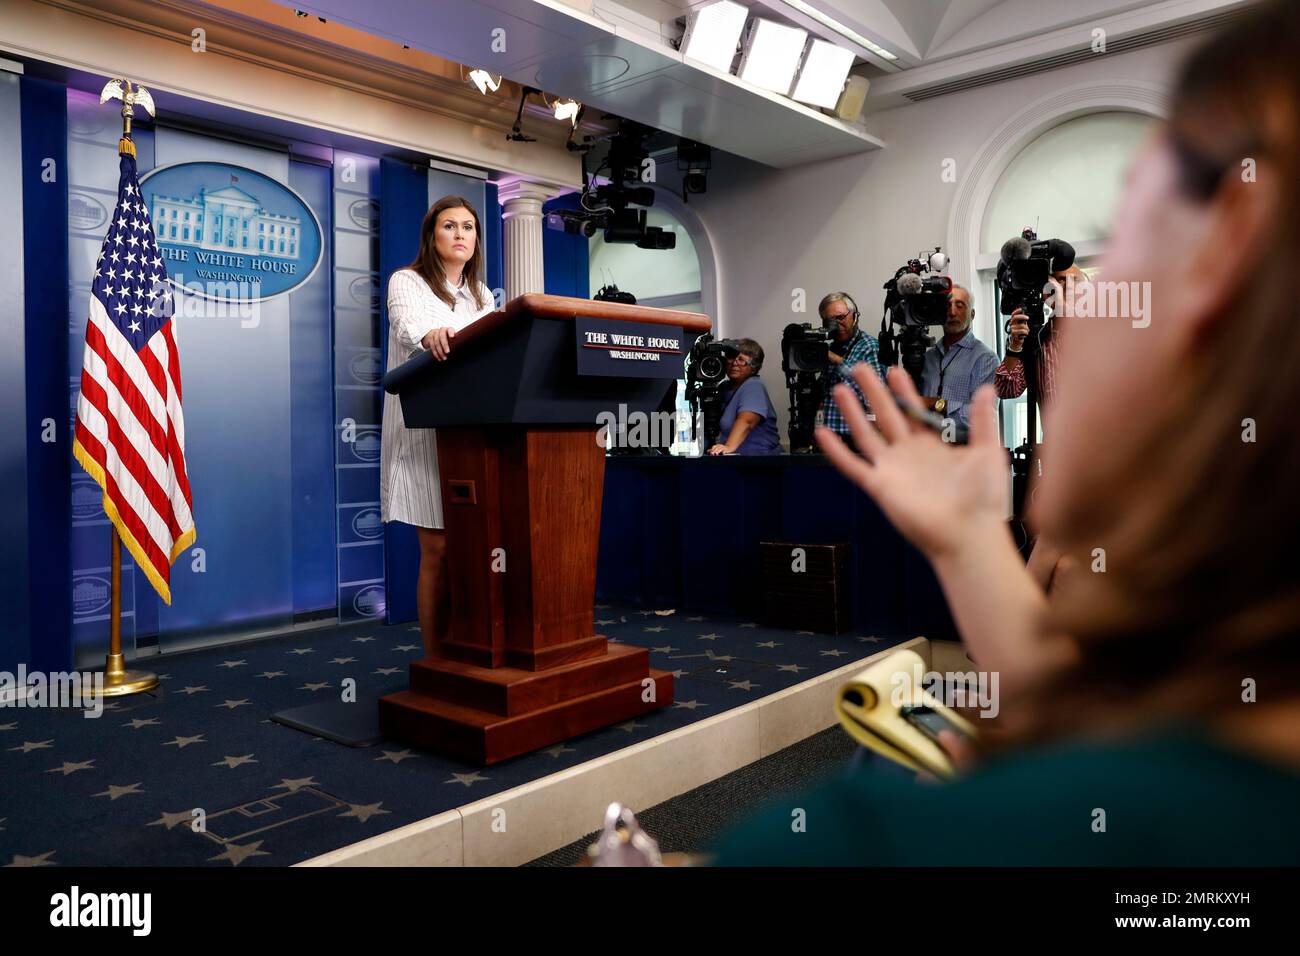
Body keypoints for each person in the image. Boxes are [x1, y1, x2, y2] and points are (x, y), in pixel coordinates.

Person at [712, 0, 1300, 865]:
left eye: (1126, 242)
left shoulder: (859, 842)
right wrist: (968, 544)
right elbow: (1105, 737)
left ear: (1222, 264)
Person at [380, 195, 495, 657]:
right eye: (451, 226)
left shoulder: (481, 295)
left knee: (470, 550)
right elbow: (410, 326)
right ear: (433, 235)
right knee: (439, 549)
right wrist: (431, 335)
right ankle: (435, 661)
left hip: (472, 429)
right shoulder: (407, 281)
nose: (461, 234)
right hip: (426, 432)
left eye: (469, 227)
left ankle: (469, 650)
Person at [918, 284, 999, 429]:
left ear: (972, 314)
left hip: (964, 448)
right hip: (926, 445)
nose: (952, 312)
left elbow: (985, 416)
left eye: (960, 306)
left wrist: (936, 404)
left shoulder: (985, 359)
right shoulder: (928, 357)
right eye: (947, 306)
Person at [817, 292, 884, 444]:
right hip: (831, 440)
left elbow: (875, 396)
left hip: (857, 442)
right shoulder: (830, 348)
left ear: (854, 316)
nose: (836, 324)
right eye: (830, 321)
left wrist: (835, 359)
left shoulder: (869, 347)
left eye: (840, 317)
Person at [707, 338, 781, 455]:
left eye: (741, 360)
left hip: (760, 461)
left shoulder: (754, 385)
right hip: (737, 459)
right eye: (731, 357)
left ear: (753, 367)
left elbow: (747, 421)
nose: (734, 363)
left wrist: (729, 446)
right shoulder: (724, 387)